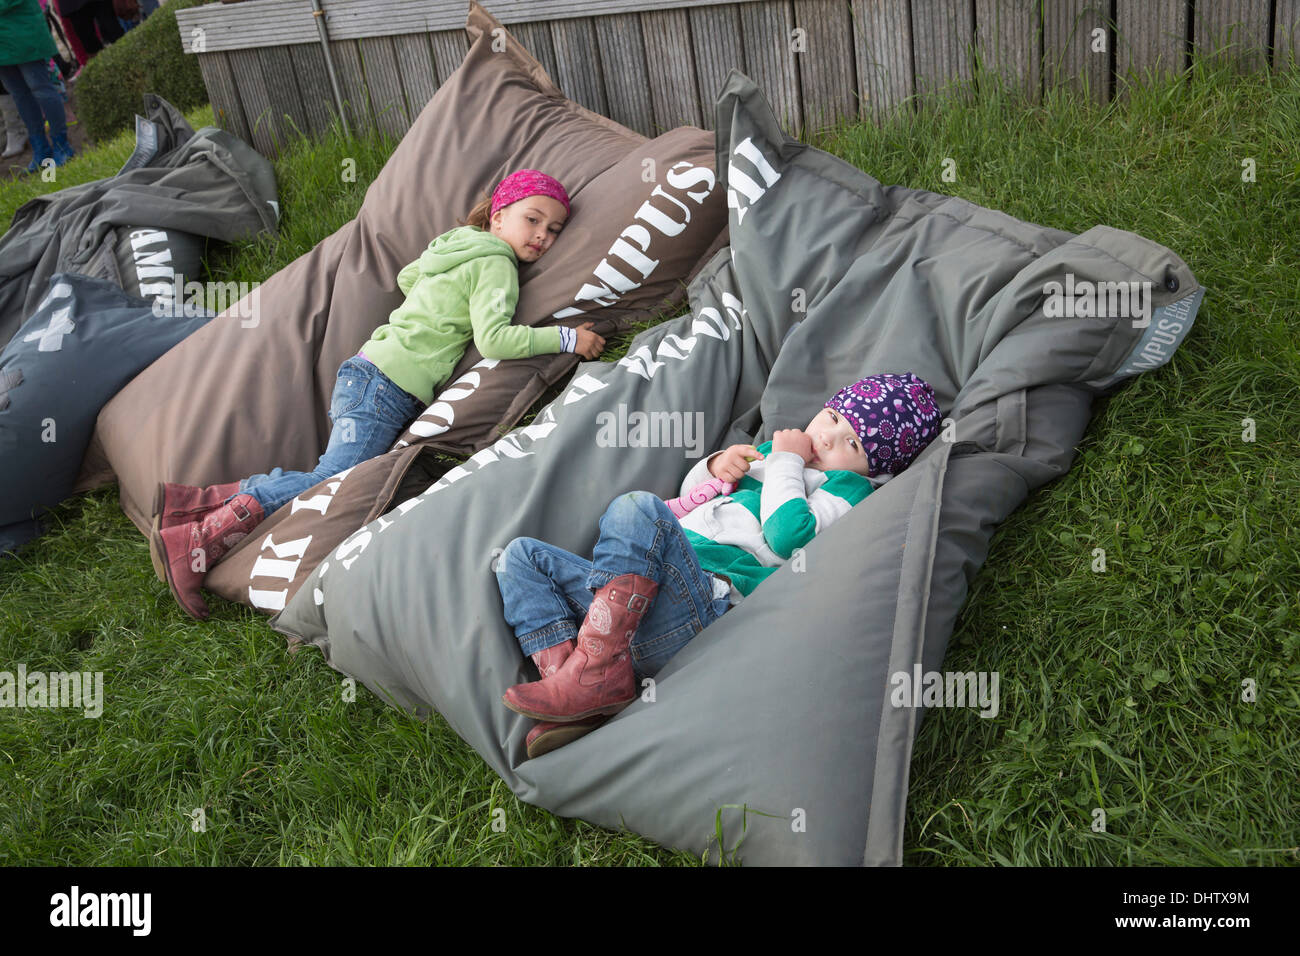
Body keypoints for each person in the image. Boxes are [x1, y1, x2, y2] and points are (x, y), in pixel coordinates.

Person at [151, 170, 606, 620]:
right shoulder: (496, 264)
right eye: (533, 220)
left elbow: (410, 278)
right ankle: (196, 541)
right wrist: (566, 340)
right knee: (332, 482)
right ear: (498, 218)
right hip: (389, 387)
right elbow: (495, 340)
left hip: (365, 372)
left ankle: (196, 503)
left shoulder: (453, 248)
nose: (542, 236)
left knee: (327, 474)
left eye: (553, 229)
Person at [496, 372, 941, 757]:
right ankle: (577, 687)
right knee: (520, 558)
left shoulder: (847, 489)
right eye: (834, 418)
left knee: (637, 508)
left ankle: (592, 677)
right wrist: (715, 467)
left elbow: (790, 538)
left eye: (853, 443)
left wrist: (786, 461)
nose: (828, 437)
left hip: (704, 607)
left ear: (874, 470)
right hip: (636, 613)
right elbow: (695, 503)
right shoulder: (769, 455)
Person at [0, 0, 75, 171]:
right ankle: (41, 150)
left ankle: (62, 146)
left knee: (41, 89)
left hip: (23, 30)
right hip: (3, 43)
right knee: (18, 94)